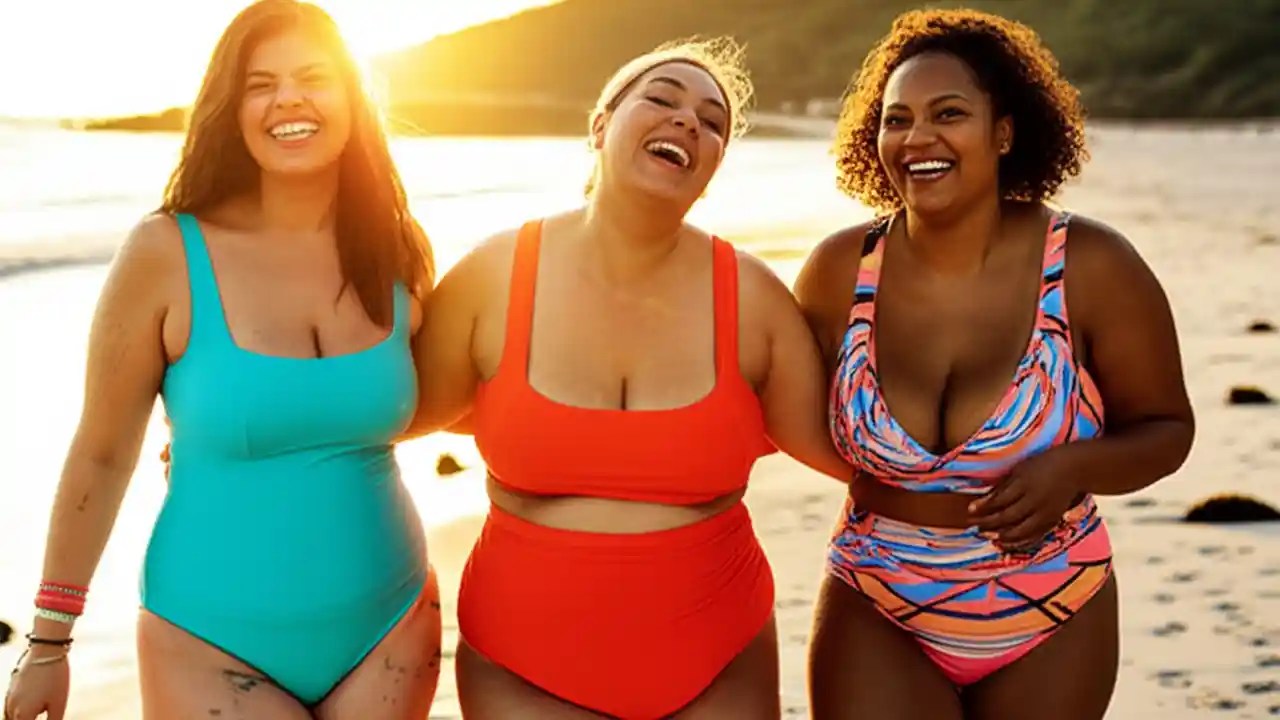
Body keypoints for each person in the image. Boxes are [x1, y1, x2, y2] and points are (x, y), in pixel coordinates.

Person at [3, 2, 442, 719]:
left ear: (354, 97)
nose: (289, 99)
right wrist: (50, 640)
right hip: (210, 641)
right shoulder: (165, 252)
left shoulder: (395, 250)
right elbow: (103, 451)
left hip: (390, 623)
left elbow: (435, 400)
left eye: (313, 77)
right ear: (229, 109)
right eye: (259, 83)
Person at [408, 37, 849, 719]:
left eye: (711, 123)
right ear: (599, 124)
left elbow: (848, 451)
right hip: (523, 665)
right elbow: (391, 413)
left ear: (712, 168)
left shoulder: (755, 299)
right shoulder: (492, 277)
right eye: (662, 99)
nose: (686, 123)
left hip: (717, 658)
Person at [797, 9, 1195, 719]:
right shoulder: (838, 272)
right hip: (875, 596)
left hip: (1051, 606)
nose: (918, 137)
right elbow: (760, 406)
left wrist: (1072, 467)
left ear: (1003, 133)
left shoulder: (1090, 267)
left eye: (948, 113)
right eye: (896, 119)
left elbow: (1166, 428)